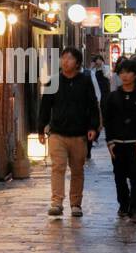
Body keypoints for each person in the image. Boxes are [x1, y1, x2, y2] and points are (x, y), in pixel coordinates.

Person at [38, 46, 100, 217]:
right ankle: (57, 202)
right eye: (63, 58)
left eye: (70, 58)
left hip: (79, 134)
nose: (65, 61)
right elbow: (44, 107)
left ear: (78, 62)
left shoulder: (85, 81)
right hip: (57, 132)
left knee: (77, 169)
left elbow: (93, 106)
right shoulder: (53, 81)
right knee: (58, 167)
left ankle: (75, 204)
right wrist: (40, 129)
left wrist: (93, 128)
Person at [103, 58, 136, 222]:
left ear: (135, 74)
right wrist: (109, 141)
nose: (125, 76)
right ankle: (123, 205)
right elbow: (108, 120)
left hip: (135, 143)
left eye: (128, 72)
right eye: (122, 72)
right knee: (119, 178)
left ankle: (135, 208)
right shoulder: (112, 97)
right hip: (118, 143)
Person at [86, 54, 112, 161]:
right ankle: (95, 135)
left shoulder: (106, 68)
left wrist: (101, 67)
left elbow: (107, 76)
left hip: (105, 94)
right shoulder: (92, 72)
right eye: (96, 60)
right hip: (96, 94)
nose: (98, 62)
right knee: (97, 114)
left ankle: (99, 128)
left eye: (99, 60)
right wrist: (92, 68)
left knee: (103, 113)